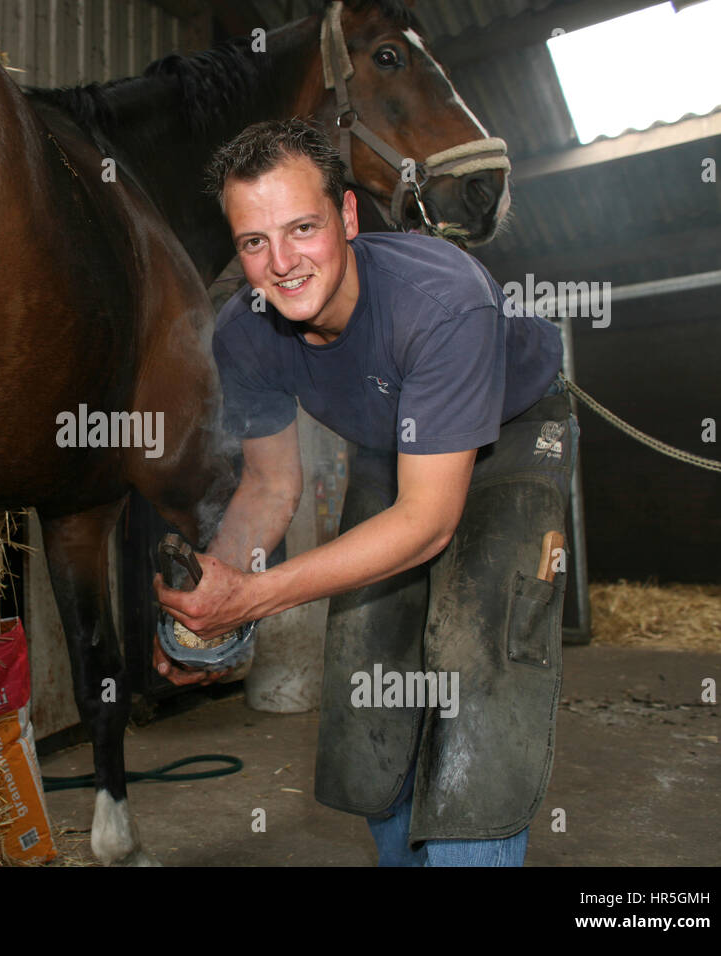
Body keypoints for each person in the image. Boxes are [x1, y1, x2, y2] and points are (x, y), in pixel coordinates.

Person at [153, 118, 577, 867]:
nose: (280, 264)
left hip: (510, 435)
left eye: (303, 228)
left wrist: (257, 598)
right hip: (394, 442)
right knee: (370, 671)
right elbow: (270, 485)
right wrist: (215, 609)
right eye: (254, 242)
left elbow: (425, 523)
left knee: (473, 658)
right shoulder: (245, 332)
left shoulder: (440, 300)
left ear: (348, 217)